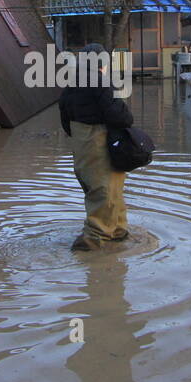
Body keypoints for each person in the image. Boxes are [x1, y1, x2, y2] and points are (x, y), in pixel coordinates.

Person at [59, 43, 133, 252]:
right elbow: (122, 116)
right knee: (106, 190)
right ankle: (92, 241)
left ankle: (118, 231)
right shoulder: (101, 83)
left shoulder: (71, 85)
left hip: (81, 147)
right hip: (101, 144)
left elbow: (65, 120)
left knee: (103, 189)